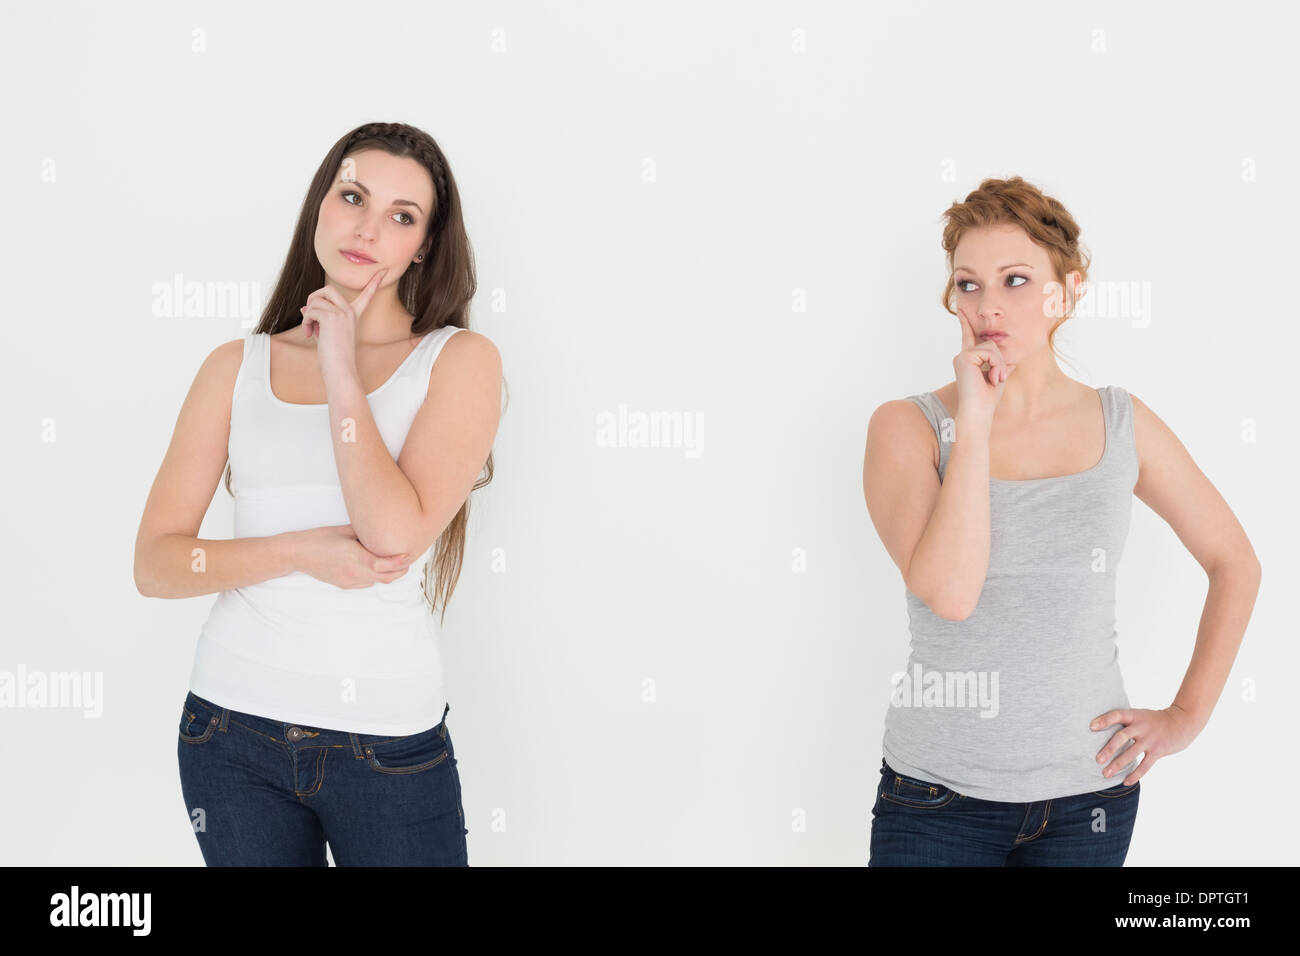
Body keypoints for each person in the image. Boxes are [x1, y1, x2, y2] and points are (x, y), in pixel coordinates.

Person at [860, 176, 1260, 866]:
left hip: (1091, 800)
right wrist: (976, 420)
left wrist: (1185, 716)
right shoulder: (909, 428)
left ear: (1067, 292)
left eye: (1015, 280)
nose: (989, 307)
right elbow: (952, 595)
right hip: (936, 802)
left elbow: (1235, 563)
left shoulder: (1120, 423)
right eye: (968, 284)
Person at [134, 121, 503, 866]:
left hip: (387, 745)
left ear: (424, 246)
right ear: (320, 207)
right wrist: (299, 551)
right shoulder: (233, 368)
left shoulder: (459, 363)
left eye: (402, 216)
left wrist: (340, 363)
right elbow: (158, 564)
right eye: (353, 197)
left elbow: (392, 533)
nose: (368, 229)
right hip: (229, 735)